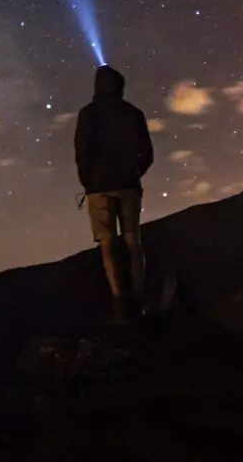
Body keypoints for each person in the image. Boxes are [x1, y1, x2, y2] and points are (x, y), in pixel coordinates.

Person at [74, 64, 154, 324]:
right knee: (133, 241)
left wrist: (88, 180)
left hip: (99, 189)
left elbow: (82, 151)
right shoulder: (134, 113)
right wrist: (134, 173)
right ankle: (138, 298)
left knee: (107, 243)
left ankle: (119, 300)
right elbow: (148, 153)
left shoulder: (88, 114)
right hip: (129, 185)